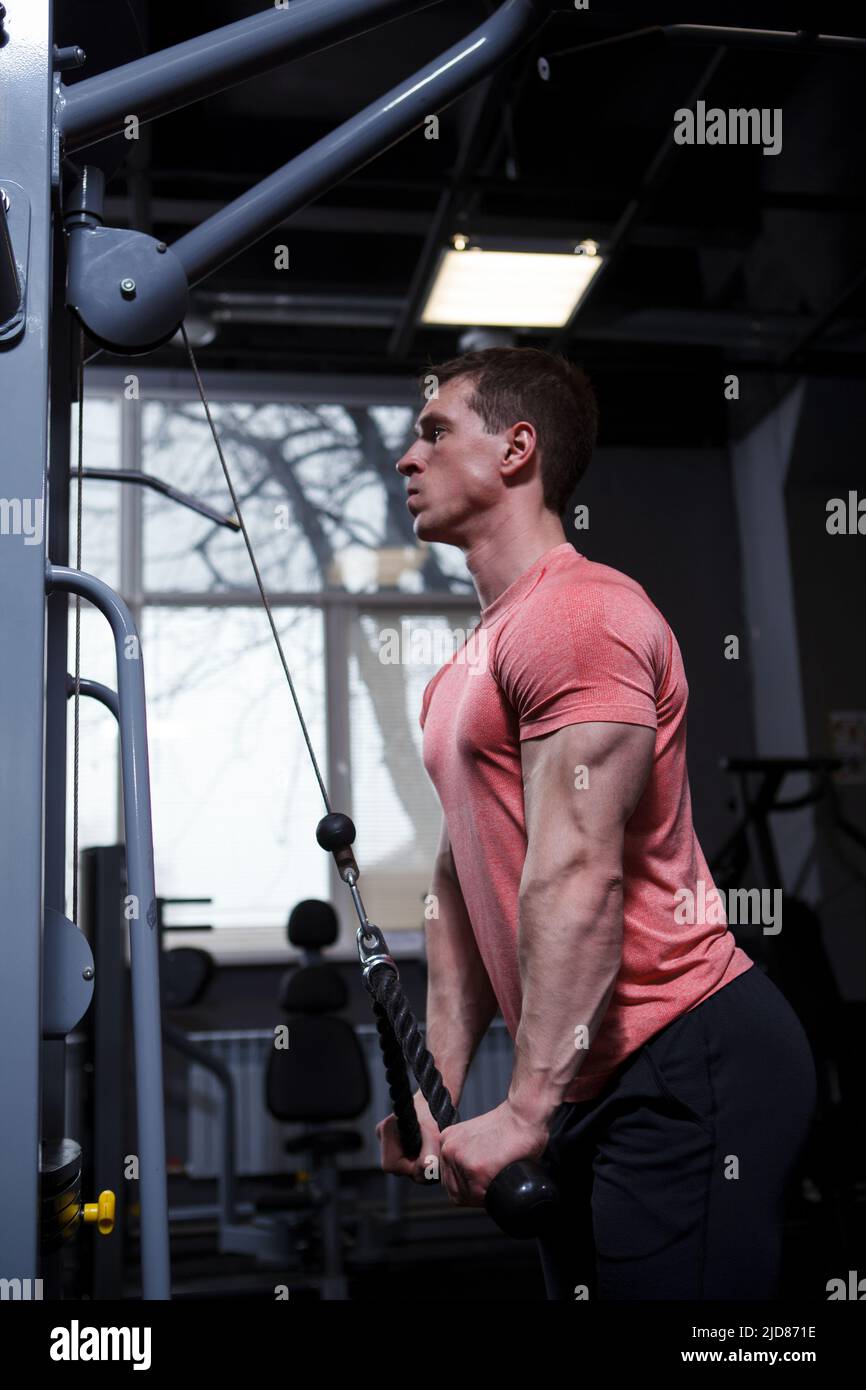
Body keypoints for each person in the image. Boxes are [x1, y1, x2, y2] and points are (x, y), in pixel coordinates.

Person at [376, 346, 817, 1300]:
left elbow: (578, 878)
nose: (408, 457)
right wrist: (436, 1086)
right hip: (590, 1074)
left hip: (686, 1052)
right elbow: (458, 888)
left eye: (436, 431)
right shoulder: (467, 666)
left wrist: (525, 1111)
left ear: (516, 449)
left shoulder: (580, 617)